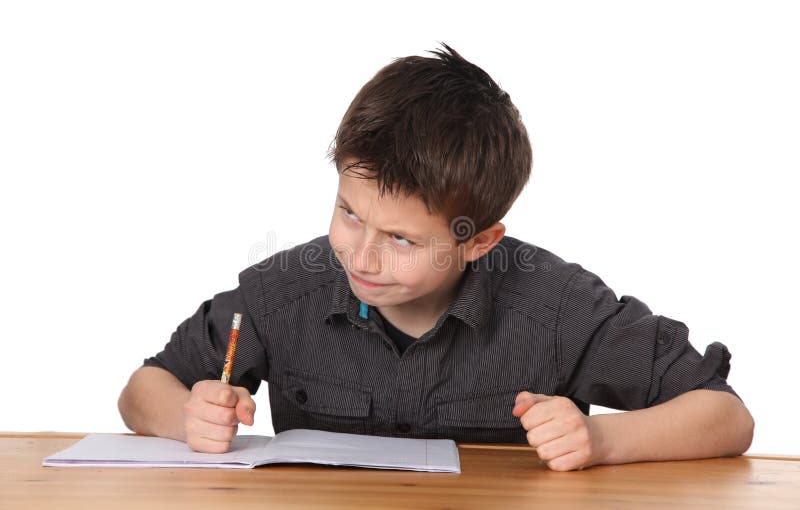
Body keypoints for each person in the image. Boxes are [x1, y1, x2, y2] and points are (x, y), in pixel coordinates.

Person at [118, 44, 754, 472]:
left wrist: (602, 439)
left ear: (479, 241)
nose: (360, 255)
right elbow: (143, 388)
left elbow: (727, 415)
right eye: (349, 213)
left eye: (401, 240)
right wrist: (186, 418)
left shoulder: (556, 306)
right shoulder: (283, 292)